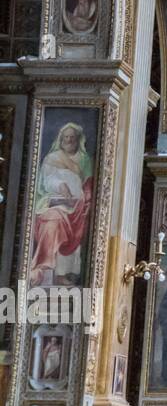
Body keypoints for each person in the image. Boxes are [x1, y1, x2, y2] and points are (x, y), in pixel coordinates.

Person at [28, 122, 95, 287]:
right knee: (52, 219)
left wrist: (83, 198)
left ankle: (62, 274)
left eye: (72, 137)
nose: (69, 140)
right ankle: (43, 267)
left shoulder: (84, 160)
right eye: (66, 137)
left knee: (71, 221)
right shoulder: (53, 157)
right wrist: (59, 185)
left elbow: (89, 183)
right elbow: (45, 181)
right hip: (51, 200)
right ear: (61, 139)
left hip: (77, 205)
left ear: (78, 139)